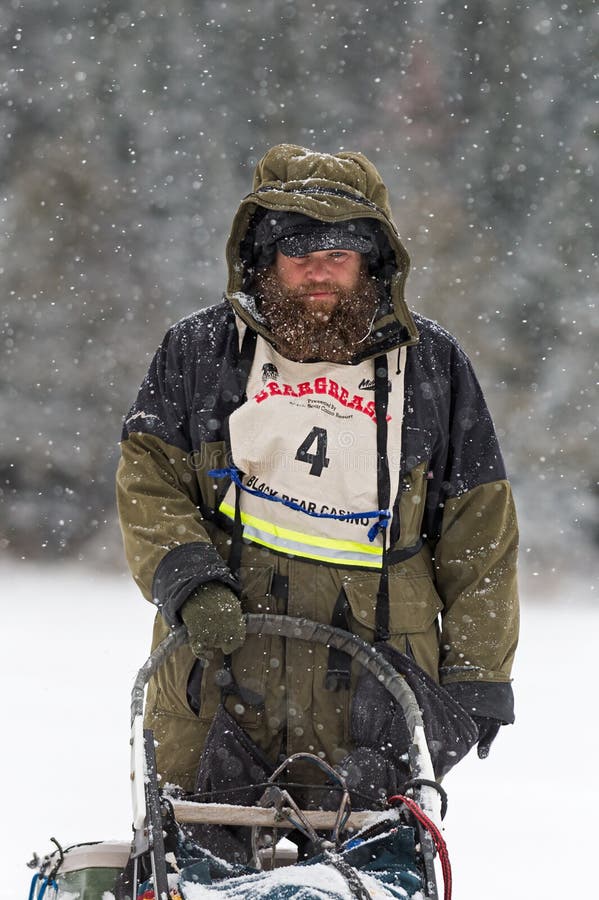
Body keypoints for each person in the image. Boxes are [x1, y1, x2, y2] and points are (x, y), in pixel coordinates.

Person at [117, 144, 519, 801]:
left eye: (337, 256)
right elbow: (148, 479)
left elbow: (478, 531)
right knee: (197, 862)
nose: (318, 275)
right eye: (298, 254)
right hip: (219, 668)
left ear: (372, 262)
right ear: (262, 257)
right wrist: (189, 580)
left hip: (373, 687)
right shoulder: (197, 350)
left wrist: (478, 670)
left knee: (364, 870)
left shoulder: (433, 366)